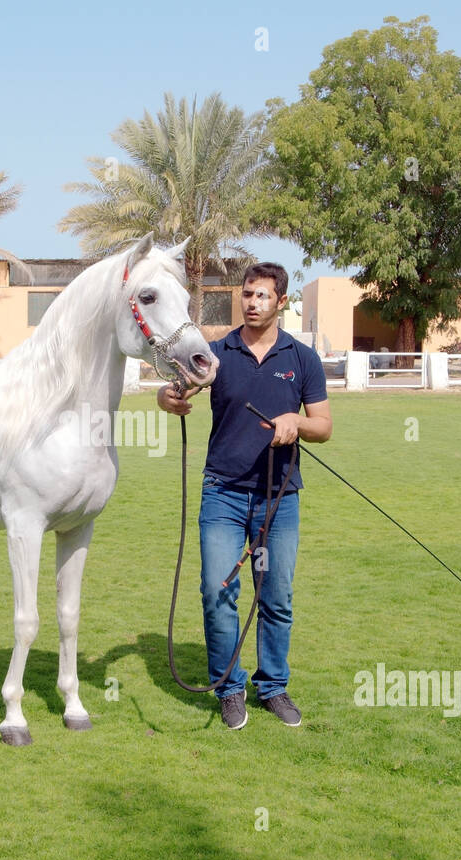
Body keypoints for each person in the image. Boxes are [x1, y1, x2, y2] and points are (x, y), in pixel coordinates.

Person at [158, 262, 330, 729]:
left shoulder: (301, 358)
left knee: (275, 596)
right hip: (223, 496)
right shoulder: (218, 354)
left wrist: (297, 423)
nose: (251, 303)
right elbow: (175, 388)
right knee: (217, 591)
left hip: (279, 499)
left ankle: (273, 687)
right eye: (247, 295)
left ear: (281, 302)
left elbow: (325, 426)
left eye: (261, 296)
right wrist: (166, 398)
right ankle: (229, 689)